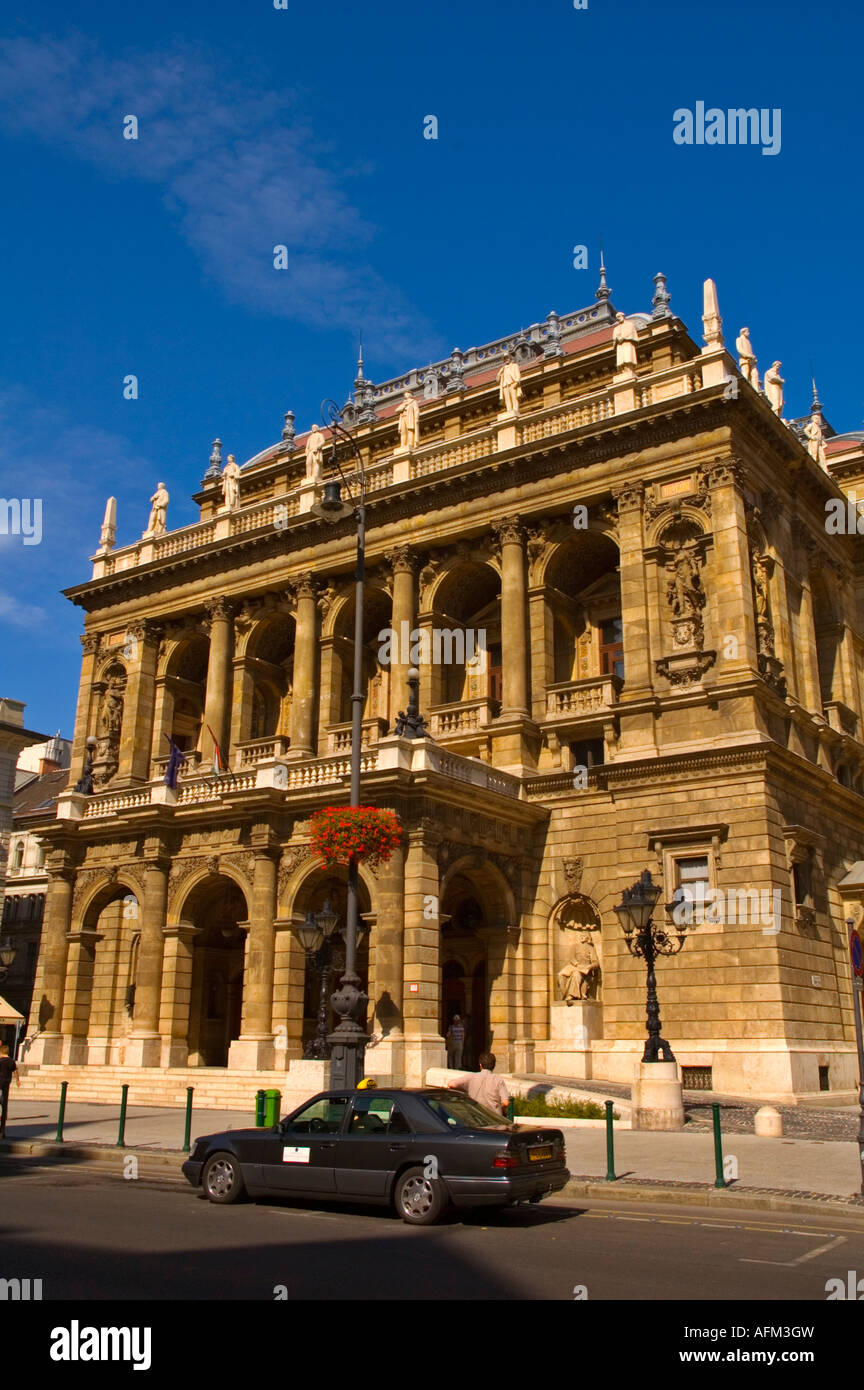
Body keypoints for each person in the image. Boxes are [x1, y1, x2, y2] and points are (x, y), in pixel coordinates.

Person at [447, 1052, 510, 1116]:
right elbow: (505, 1103)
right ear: (494, 1066)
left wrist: (465, 1090)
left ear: (480, 1065)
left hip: (476, 1117)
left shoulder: (471, 1077)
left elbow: (451, 1084)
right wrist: (501, 1110)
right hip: (494, 1117)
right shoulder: (498, 1080)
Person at [0, 1043, 20, 1138]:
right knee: (4, 1106)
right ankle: (2, 1129)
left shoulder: (0, 1061)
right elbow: (15, 1071)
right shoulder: (11, 1061)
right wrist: (18, 1080)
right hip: (6, 1084)